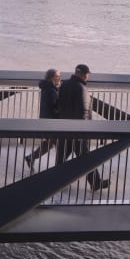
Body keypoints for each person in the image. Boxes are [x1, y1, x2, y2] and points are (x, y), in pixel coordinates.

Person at [56, 63, 110, 191]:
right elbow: (84, 111)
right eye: (87, 74)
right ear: (83, 74)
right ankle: (96, 183)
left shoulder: (64, 85)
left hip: (64, 128)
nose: (87, 77)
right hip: (78, 131)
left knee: (61, 158)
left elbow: (59, 106)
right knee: (86, 159)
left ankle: (55, 181)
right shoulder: (81, 88)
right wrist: (84, 130)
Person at [23, 68, 61, 169]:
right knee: (56, 143)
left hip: (46, 119)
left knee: (51, 143)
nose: (59, 78)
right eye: (58, 76)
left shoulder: (47, 88)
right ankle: (61, 168)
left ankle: (31, 157)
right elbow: (54, 106)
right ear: (52, 77)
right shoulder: (51, 90)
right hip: (51, 121)